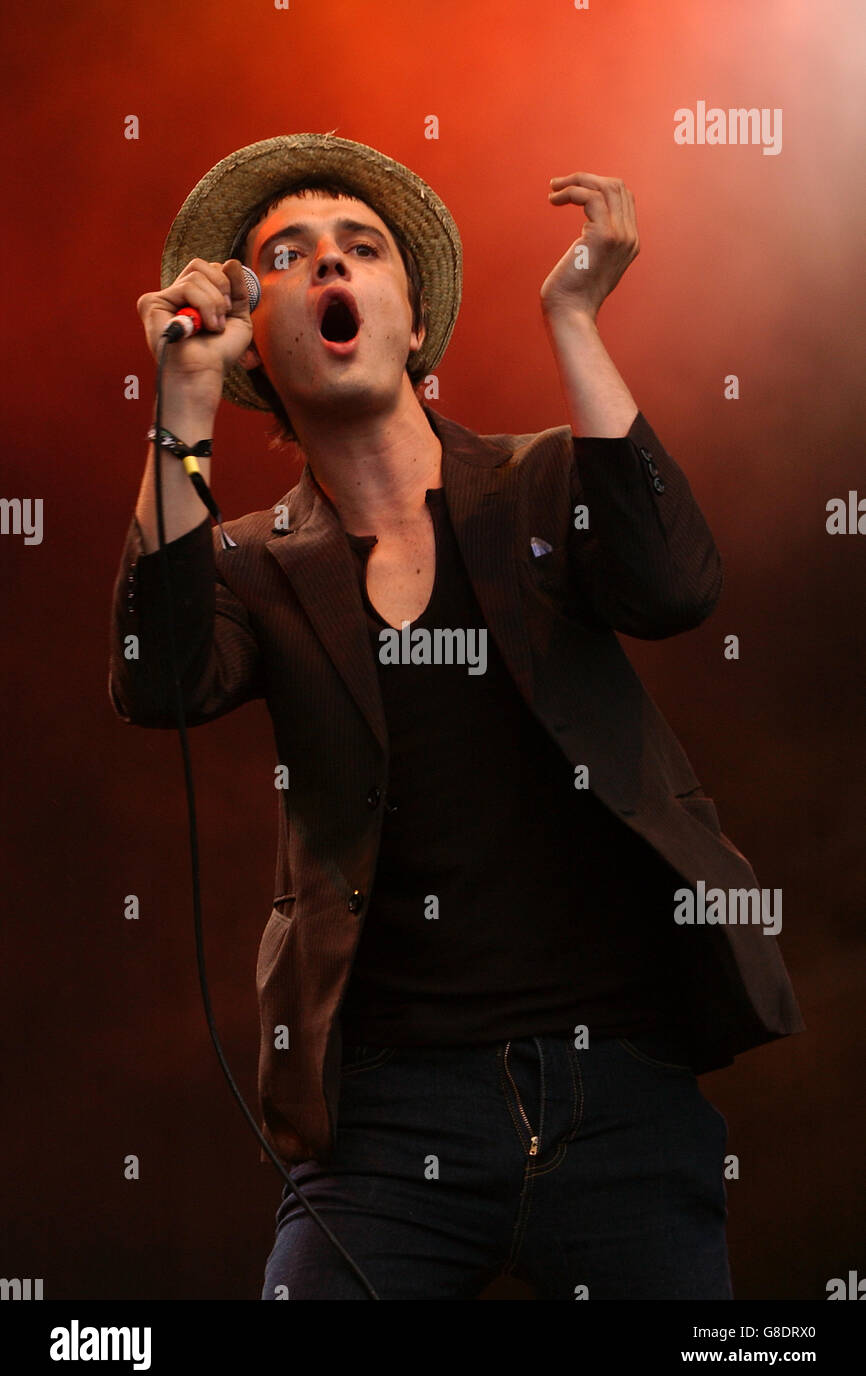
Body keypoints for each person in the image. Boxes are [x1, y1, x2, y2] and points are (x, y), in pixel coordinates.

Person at [108, 132, 804, 1300]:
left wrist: (575, 323)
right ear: (253, 341)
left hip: (616, 1089)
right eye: (288, 255)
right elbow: (157, 677)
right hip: (385, 1118)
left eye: (360, 249)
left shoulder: (538, 478)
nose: (329, 266)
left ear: (412, 322)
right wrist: (179, 399)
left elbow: (675, 585)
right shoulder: (243, 561)